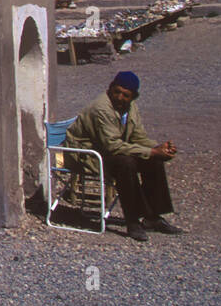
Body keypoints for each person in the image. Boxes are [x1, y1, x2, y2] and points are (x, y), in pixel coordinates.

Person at [63, 70, 182, 242]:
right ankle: (132, 221)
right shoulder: (101, 108)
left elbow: (137, 136)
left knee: (153, 161)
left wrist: (157, 148)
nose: (119, 97)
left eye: (125, 95)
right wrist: (152, 151)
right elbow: (112, 146)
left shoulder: (130, 107)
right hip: (86, 155)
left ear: (133, 97)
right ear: (110, 89)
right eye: (116, 92)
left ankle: (153, 217)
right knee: (126, 164)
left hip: (107, 151)